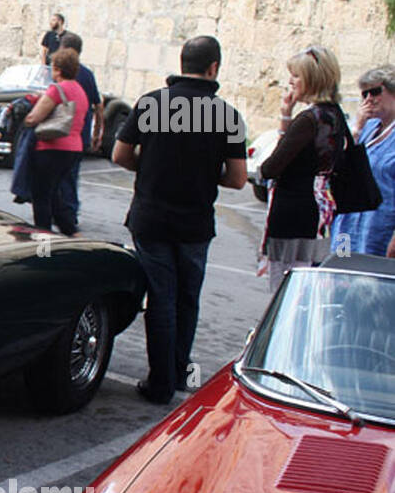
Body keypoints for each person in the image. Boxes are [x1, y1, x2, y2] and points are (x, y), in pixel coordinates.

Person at [112, 35, 248, 404]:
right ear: (214, 68)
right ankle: (178, 374)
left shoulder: (152, 103)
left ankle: (159, 382)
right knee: (187, 300)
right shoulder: (227, 115)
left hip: (151, 217)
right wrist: (205, 176)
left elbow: (119, 154)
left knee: (160, 300)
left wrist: (150, 167)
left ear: (182, 63)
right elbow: (237, 179)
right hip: (194, 223)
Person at [259, 45, 350, 291]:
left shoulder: (309, 120)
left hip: (292, 217)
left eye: (297, 75)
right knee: (308, 286)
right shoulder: (335, 115)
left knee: (285, 290)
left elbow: (270, 167)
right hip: (318, 215)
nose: (291, 81)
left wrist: (285, 122)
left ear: (312, 79)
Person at [23, 47, 87, 237]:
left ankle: (44, 247)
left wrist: (25, 116)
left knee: (41, 198)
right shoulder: (79, 90)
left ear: (58, 69)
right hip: (73, 148)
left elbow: (34, 118)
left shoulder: (58, 89)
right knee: (56, 196)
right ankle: (74, 236)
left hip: (51, 148)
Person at [332, 66, 395, 257]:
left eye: (375, 92)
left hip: (379, 228)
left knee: (372, 283)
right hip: (348, 225)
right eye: (364, 94)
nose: (368, 99)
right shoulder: (368, 127)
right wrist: (357, 127)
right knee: (341, 273)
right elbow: (339, 162)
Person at [55, 32, 104, 221]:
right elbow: (98, 106)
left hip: (61, 134)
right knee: (70, 176)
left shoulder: (61, 75)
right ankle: (68, 212)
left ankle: (63, 214)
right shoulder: (87, 74)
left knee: (57, 176)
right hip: (79, 135)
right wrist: (98, 132)